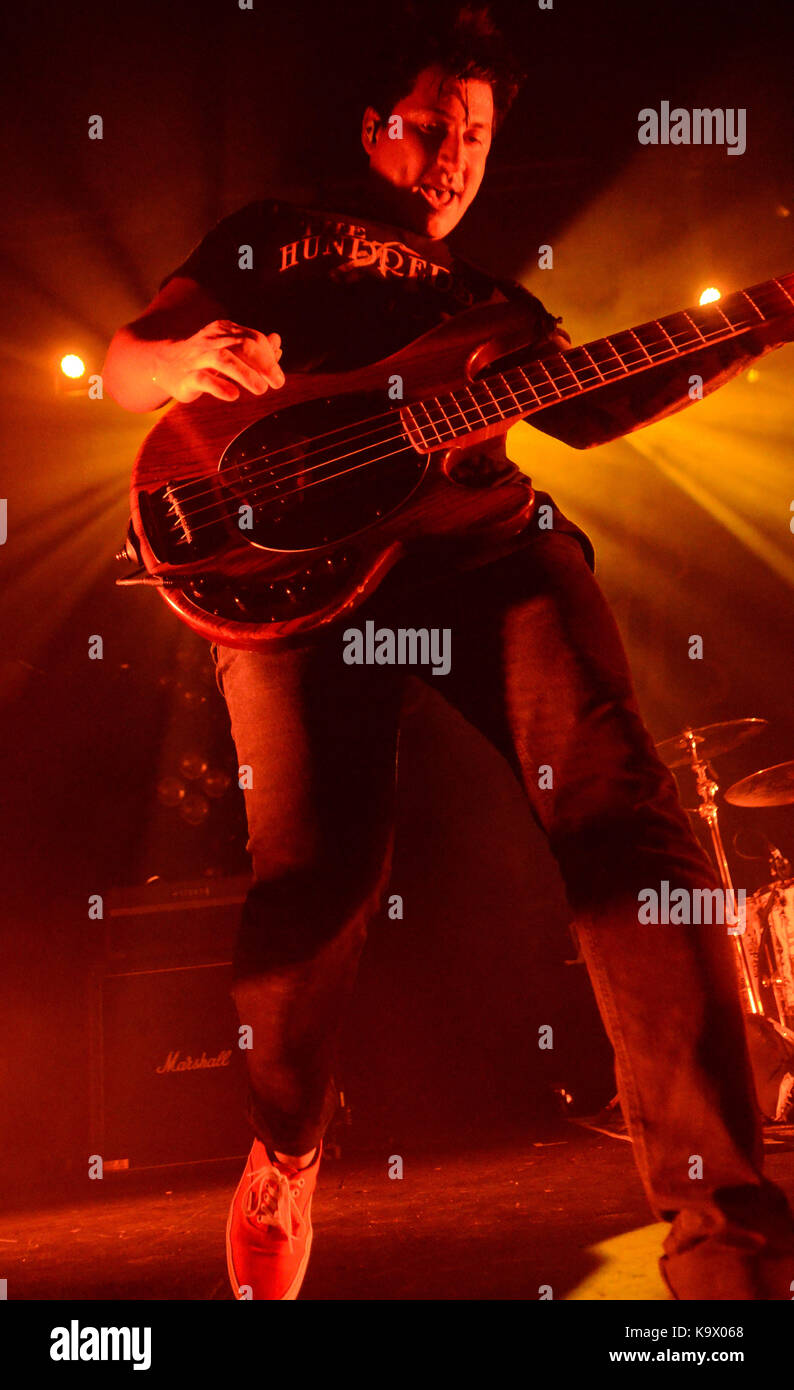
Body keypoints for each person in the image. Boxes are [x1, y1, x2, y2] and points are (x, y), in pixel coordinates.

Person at [103, 3, 794, 1301]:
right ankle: (289, 1140)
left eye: (478, 135)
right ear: (377, 126)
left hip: (479, 549)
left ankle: (727, 1244)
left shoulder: (498, 313)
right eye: (436, 127)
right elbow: (125, 359)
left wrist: (747, 326)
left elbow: (587, 410)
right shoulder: (281, 231)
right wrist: (182, 354)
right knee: (311, 893)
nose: (457, 157)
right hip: (290, 584)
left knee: (623, 816)